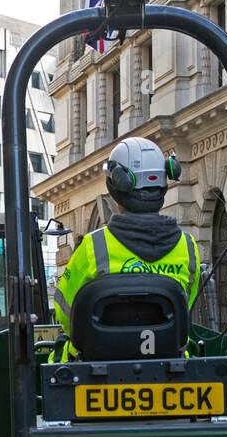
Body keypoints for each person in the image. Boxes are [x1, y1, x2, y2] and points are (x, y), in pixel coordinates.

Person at [51, 136, 200, 362]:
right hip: (170, 367)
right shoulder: (188, 248)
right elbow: (185, 307)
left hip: (97, 368)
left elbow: (65, 312)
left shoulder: (94, 247)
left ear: (117, 185)